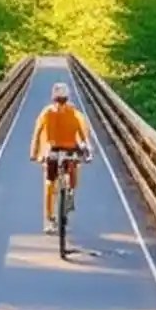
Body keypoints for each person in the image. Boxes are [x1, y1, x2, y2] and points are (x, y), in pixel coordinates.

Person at [29, 81, 92, 233]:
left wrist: (88, 149)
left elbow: (84, 134)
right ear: (53, 100)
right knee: (49, 184)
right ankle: (50, 218)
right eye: (58, 100)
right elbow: (37, 132)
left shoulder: (75, 114)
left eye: (63, 100)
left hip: (70, 148)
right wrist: (34, 152)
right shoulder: (47, 113)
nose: (60, 104)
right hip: (52, 150)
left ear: (67, 99)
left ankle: (70, 194)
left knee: (73, 169)